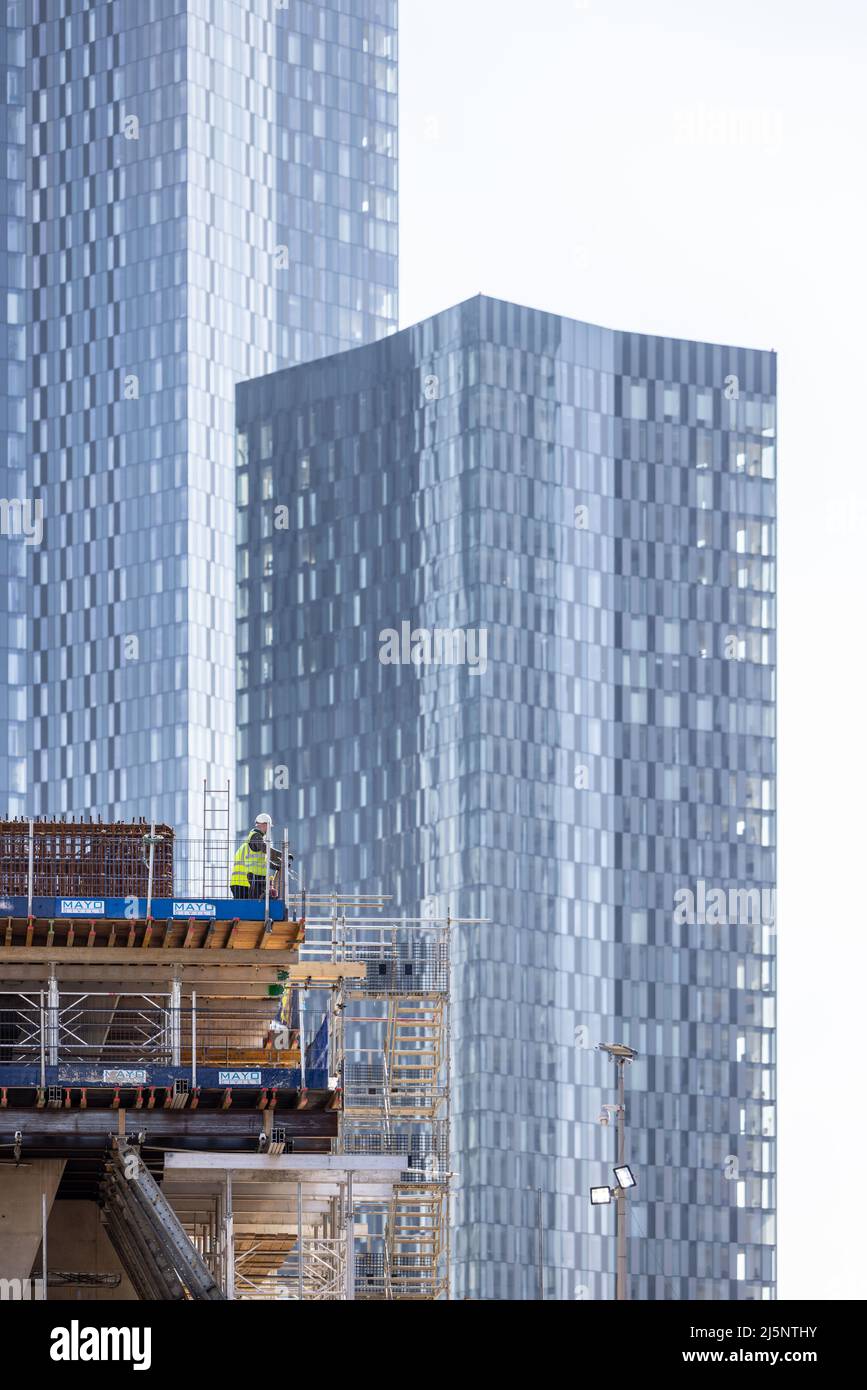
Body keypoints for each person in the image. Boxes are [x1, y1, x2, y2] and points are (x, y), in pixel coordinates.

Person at [230, 812, 284, 899]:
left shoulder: (251, 842)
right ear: (263, 825)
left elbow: (262, 861)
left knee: (246, 910)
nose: (269, 829)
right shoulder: (255, 837)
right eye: (269, 826)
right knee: (248, 910)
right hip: (243, 884)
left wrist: (276, 867)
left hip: (244, 883)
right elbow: (265, 849)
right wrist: (283, 854)